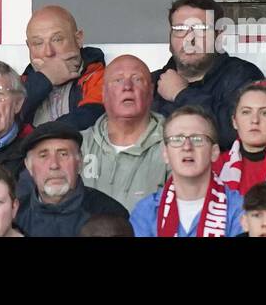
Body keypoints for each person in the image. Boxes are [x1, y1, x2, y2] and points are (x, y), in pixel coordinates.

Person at [130, 105, 245, 237]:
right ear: (166, 153)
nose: (187, 147)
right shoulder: (146, 211)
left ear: (214, 153)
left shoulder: (239, 209)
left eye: (197, 139)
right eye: (177, 139)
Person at [81, 54, 167, 210]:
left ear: (150, 92)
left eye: (137, 79)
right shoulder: (79, 145)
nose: (127, 86)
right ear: (103, 93)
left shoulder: (175, 145)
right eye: (118, 80)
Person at [15, 119, 127, 237]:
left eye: (63, 154)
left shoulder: (110, 214)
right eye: (43, 156)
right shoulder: (14, 215)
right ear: (29, 166)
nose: (54, 165)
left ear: (79, 163)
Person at [20, 4, 106, 130]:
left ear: (78, 39)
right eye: (38, 43)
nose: (48, 52)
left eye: (57, 39)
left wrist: (38, 136)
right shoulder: (17, 83)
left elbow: (91, 118)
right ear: (28, 47)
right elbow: (4, 120)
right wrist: (44, 79)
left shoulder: (102, 78)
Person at [215, 81, 266, 191]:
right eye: (246, 112)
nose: (255, 120)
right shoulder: (219, 163)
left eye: (265, 113)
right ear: (234, 121)